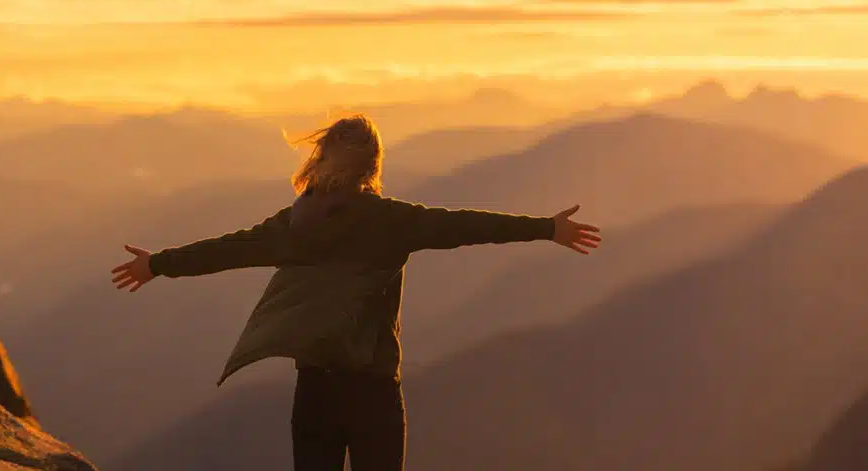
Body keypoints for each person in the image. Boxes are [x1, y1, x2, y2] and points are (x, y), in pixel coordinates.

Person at [110, 114, 602, 471]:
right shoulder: (391, 222)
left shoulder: (293, 225)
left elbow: (226, 250)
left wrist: (158, 264)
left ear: (321, 159)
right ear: (372, 165)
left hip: (316, 393)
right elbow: (464, 225)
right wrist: (545, 229)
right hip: (373, 394)